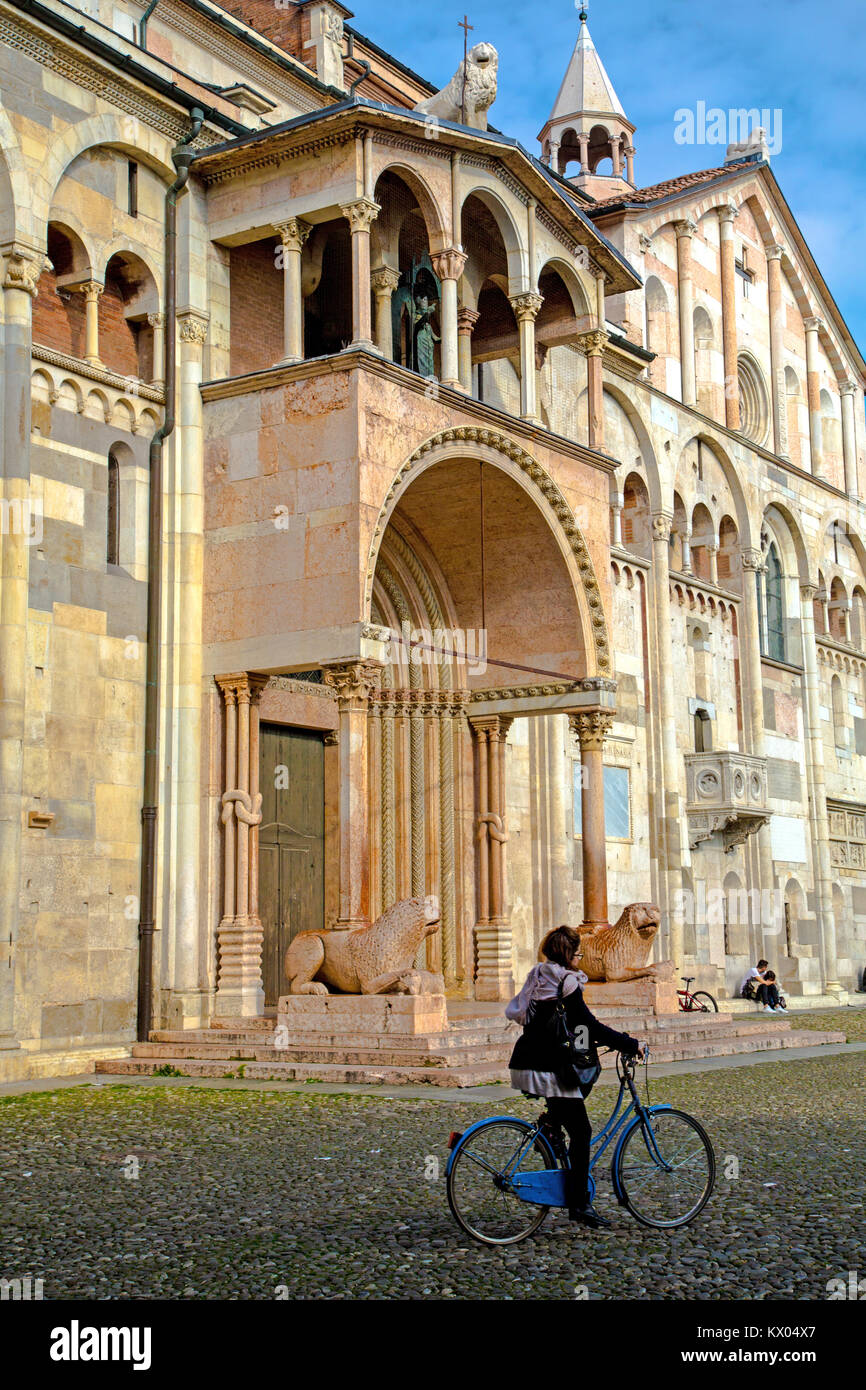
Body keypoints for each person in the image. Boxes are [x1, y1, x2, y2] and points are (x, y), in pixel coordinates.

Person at [505, 925, 646, 1230]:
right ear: (569, 954)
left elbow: (564, 1026)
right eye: (579, 952)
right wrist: (629, 1043)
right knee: (582, 1132)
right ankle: (580, 1204)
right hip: (551, 1067)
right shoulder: (566, 982)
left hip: (528, 1060)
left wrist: (588, 1042)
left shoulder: (539, 975)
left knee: (568, 1108)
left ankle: (551, 1128)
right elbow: (588, 1025)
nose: (581, 958)